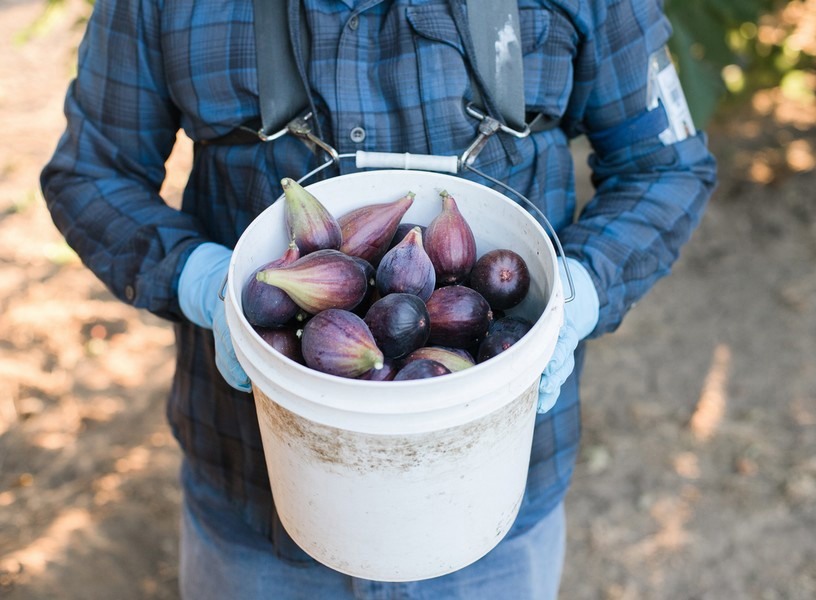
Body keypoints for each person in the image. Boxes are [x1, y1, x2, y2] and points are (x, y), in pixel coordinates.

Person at [41, 0, 717, 598]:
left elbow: (665, 164)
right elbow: (91, 172)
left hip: (492, 493)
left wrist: (582, 289)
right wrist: (198, 280)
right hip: (256, 494)